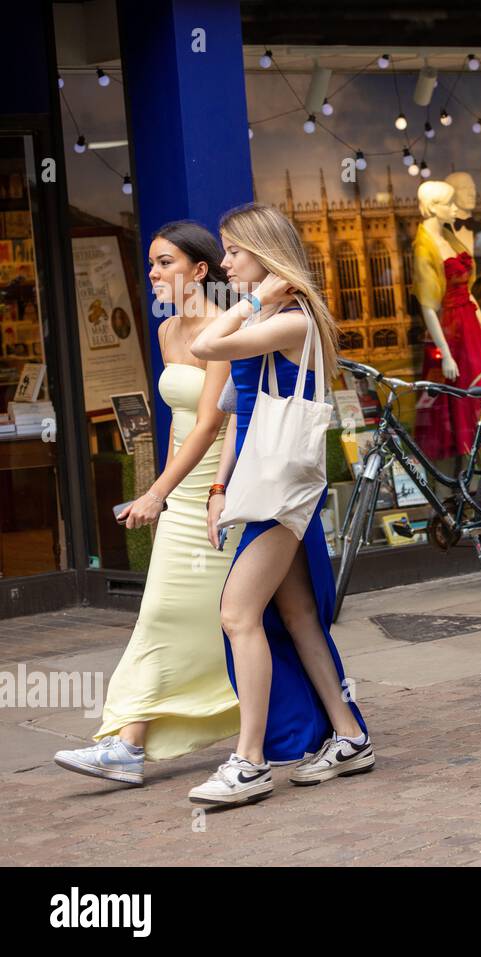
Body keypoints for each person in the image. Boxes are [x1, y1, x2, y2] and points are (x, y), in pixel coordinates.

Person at [189, 202, 372, 806]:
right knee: (295, 618)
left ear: (266, 258)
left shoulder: (291, 320)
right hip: (275, 486)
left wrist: (252, 300)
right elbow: (237, 402)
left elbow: (206, 348)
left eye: (234, 250)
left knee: (238, 615)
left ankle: (249, 763)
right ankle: (349, 737)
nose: (224, 261)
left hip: (279, 493)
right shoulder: (284, 316)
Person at [53, 222, 242, 786]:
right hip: (179, 488)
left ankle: (127, 744)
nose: (154, 274)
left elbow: (211, 423)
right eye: (153, 264)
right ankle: (132, 742)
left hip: (217, 488)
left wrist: (162, 492)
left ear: (200, 270)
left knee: (184, 614)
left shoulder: (223, 327)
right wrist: (159, 484)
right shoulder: (165, 333)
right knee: (191, 616)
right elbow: (179, 423)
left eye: (165, 263)